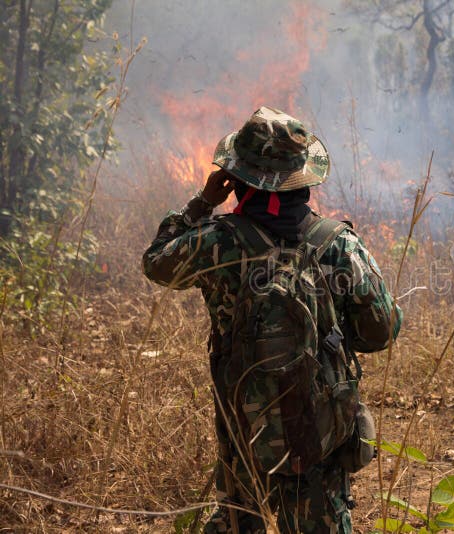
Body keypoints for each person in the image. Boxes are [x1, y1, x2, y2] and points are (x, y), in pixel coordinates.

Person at [142, 106, 401, 533]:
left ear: (238, 178)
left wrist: (203, 202)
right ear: (303, 177)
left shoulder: (217, 243)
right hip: (320, 436)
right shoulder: (339, 246)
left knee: (240, 519)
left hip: (245, 432)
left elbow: (156, 262)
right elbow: (382, 331)